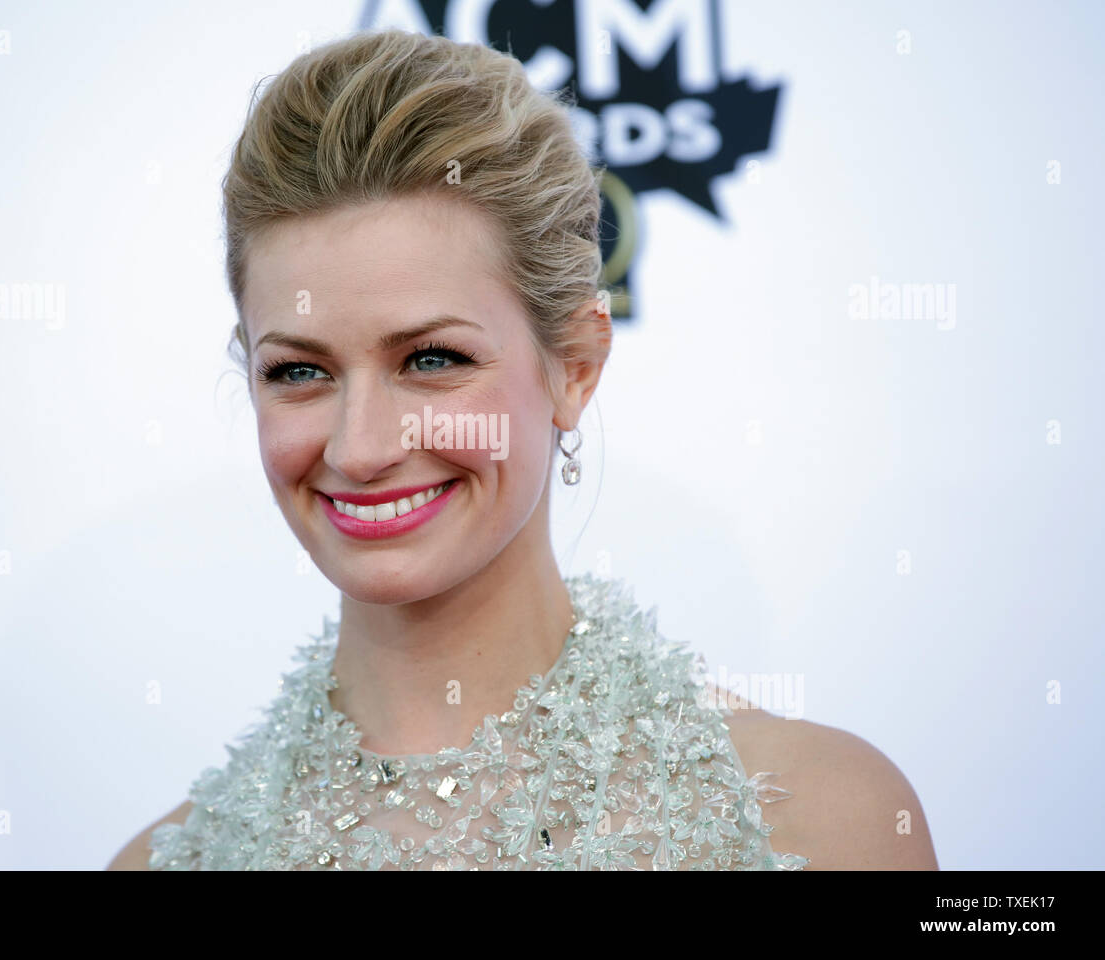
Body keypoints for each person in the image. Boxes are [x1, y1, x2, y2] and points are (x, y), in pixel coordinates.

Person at [109, 29, 937, 871]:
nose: (360, 448)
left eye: (433, 360)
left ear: (575, 366)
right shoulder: (166, 862)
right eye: (298, 370)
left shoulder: (818, 817)